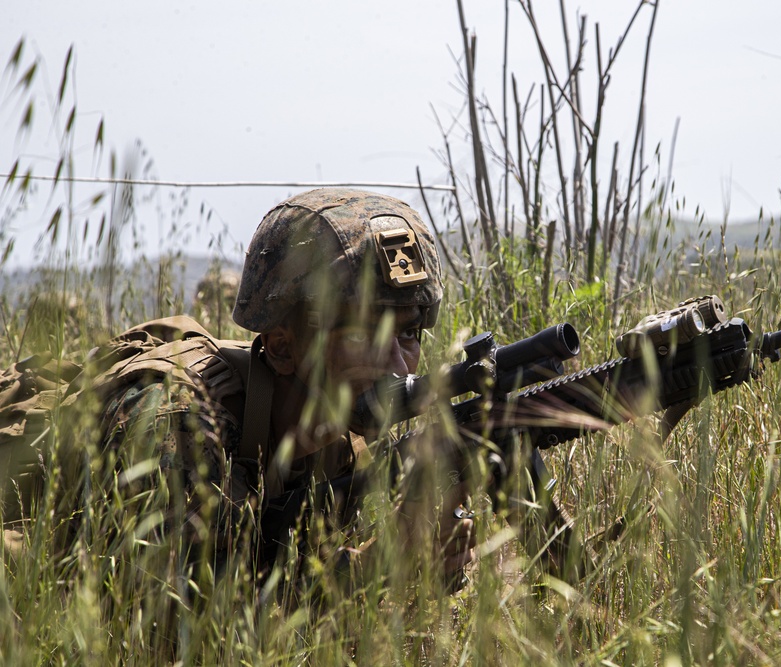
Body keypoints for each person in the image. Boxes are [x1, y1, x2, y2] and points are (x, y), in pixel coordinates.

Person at [12, 189, 476, 595]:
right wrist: (369, 569)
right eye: (365, 335)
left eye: (410, 334)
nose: (397, 364)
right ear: (282, 347)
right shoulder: (172, 419)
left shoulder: (342, 442)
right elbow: (172, 616)